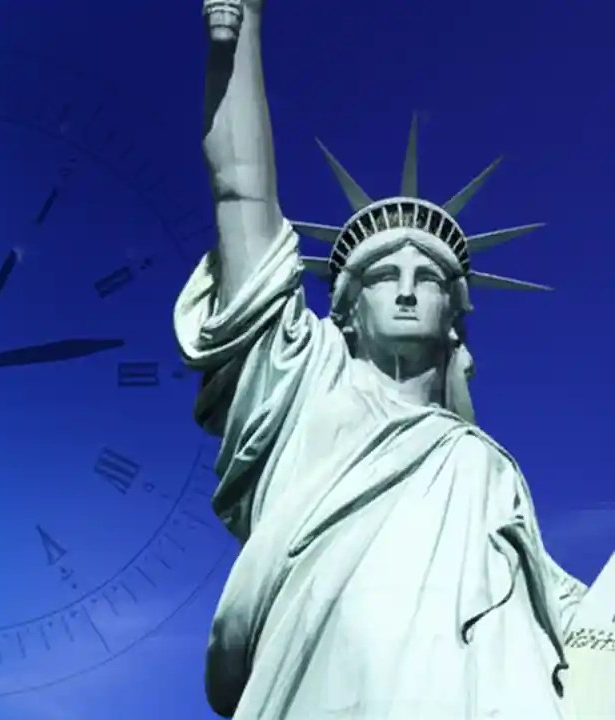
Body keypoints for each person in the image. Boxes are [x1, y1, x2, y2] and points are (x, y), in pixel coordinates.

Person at [176, 1, 588, 717]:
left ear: (453, 315)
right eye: (380, 277)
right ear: (345, 308)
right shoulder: (303, 384)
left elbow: (557, 613)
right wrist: (243, 29)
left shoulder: (479, 462)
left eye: (426, 278)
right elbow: (240, 189)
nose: (404, 290)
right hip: (326, 675)